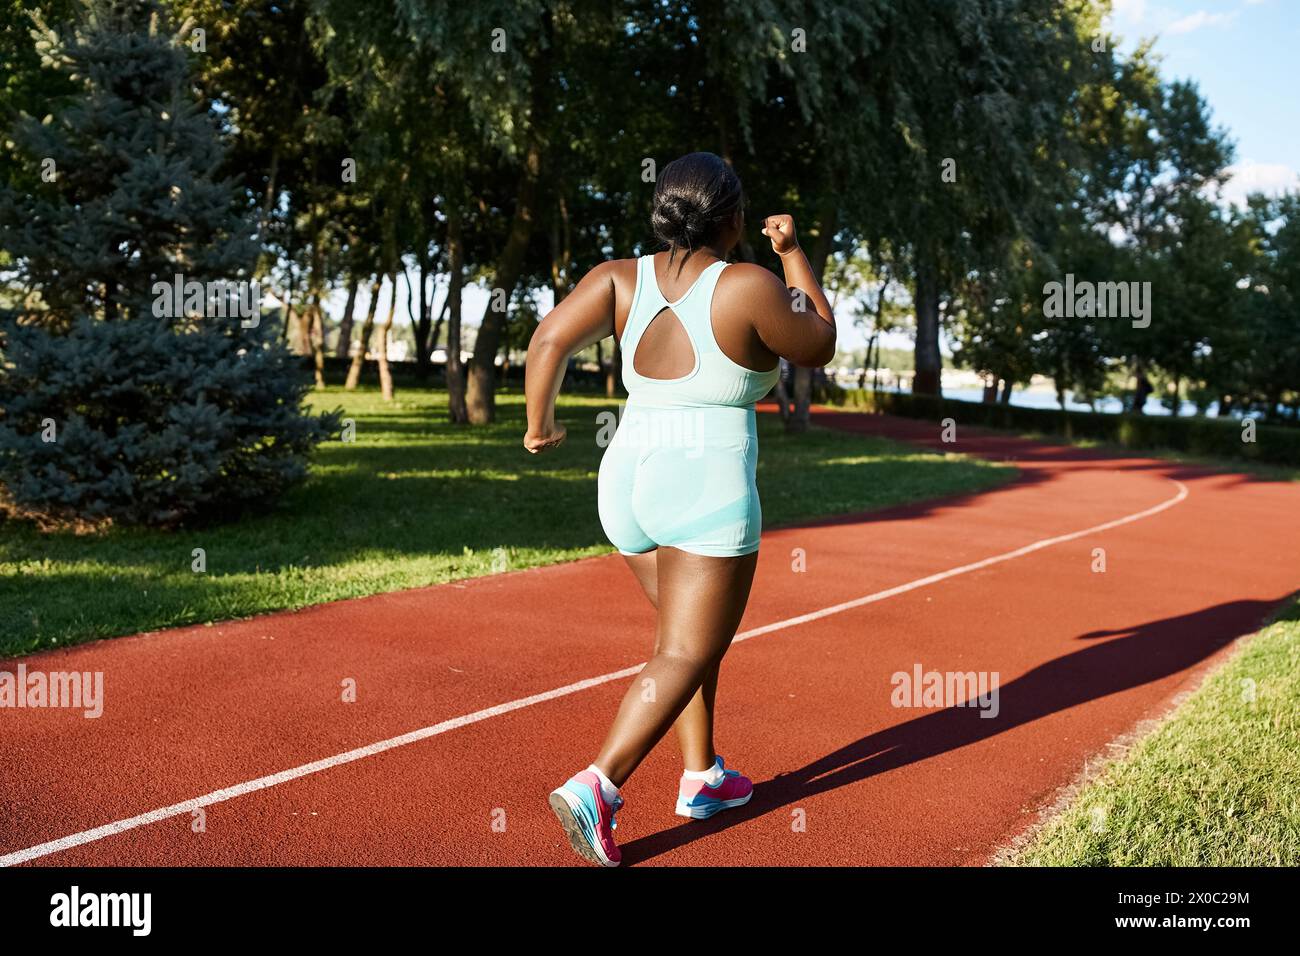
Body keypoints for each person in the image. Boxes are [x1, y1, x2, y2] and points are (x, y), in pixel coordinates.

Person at [522, 151, 836, 866]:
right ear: (733, 218)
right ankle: (597, 787)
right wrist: (793, 254)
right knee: (687, 649)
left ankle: (703, 776)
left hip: (626, 480)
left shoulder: (617, 277)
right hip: (704, 485)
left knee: (687, 640)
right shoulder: (748, 285)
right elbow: (818, 342)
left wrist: (539, 426)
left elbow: (548, 339)